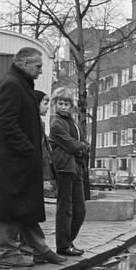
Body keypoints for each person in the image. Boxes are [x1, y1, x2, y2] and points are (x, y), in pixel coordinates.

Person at [0, 47, 64, 267]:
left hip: (19, 159)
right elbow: (6, 123)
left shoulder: (19, 84)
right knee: (11, 207)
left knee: (22, 206)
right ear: (24, 63)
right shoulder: (11, 85)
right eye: (38, 66)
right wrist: (27, 148)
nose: (40, 71)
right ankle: (9, 253)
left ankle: (35, 250)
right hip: (14, 160)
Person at [49, 87, 90, 256]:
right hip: (65, 168)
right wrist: (82, 148)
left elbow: (78, 143)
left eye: (66, 103)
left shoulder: (72, 122)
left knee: (80, 209)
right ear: (55, 104)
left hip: (77, 168)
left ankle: (68, 240)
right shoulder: (56, 123)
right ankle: (63, 245)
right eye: (60, 103)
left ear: (71, 105)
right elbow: (72, 144)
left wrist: (80, 148)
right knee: (65, 207)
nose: (63, 106)